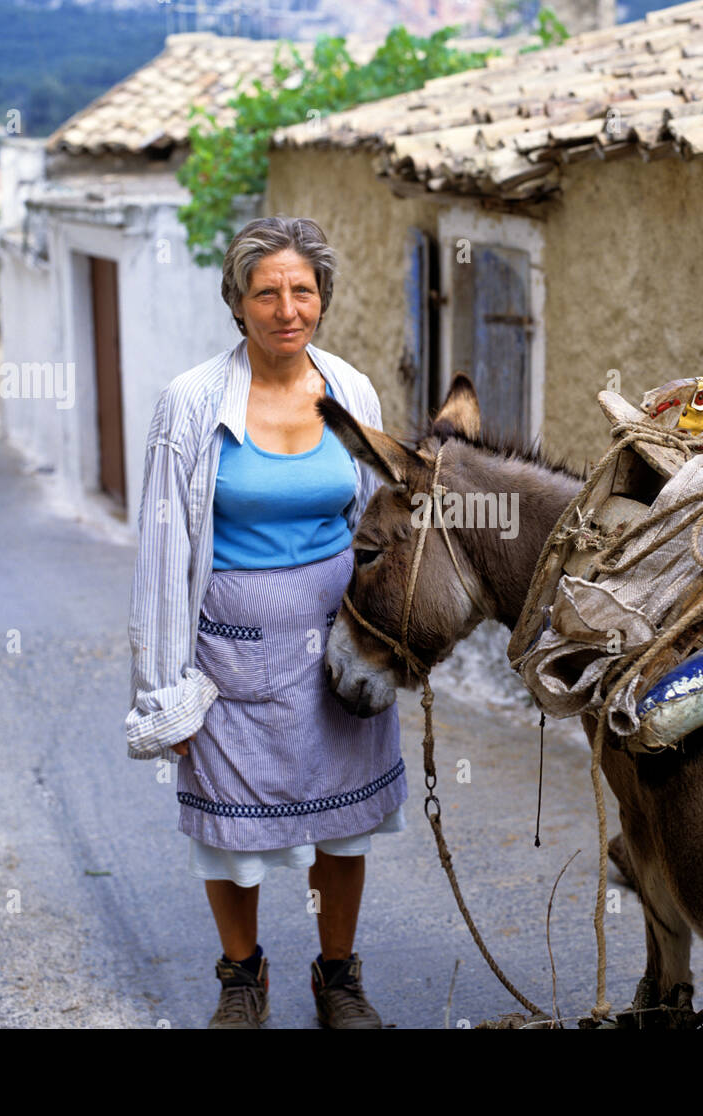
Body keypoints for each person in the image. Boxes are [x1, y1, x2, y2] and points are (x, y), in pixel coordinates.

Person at [125, 216, 406, 1029]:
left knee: (344, 824)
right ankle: (242, 979)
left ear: (322, 299)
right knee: (230, 833)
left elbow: (379, 524)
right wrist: (163, 688)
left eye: (303, 291)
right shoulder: (190, 404)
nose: (288, 308)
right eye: (268, 292)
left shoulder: (349, 391)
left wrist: (392, 637)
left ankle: (339, 978)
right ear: (238, 303)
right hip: (230, 657)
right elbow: (162, 550)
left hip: (340, 653)